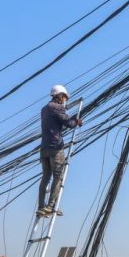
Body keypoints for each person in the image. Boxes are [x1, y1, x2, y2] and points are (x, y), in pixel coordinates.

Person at [37, 84, 82, 217]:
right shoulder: (57, 107)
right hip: (55, 148)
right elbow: (68, 123)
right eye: (65, 97)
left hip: (44, 148)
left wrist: (68, 115)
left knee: (45, 177)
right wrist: (77, 121)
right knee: (58, 177)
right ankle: (50, 206)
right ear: (60, 96)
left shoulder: (44, 109)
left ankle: (41, 206)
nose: (65, 100)